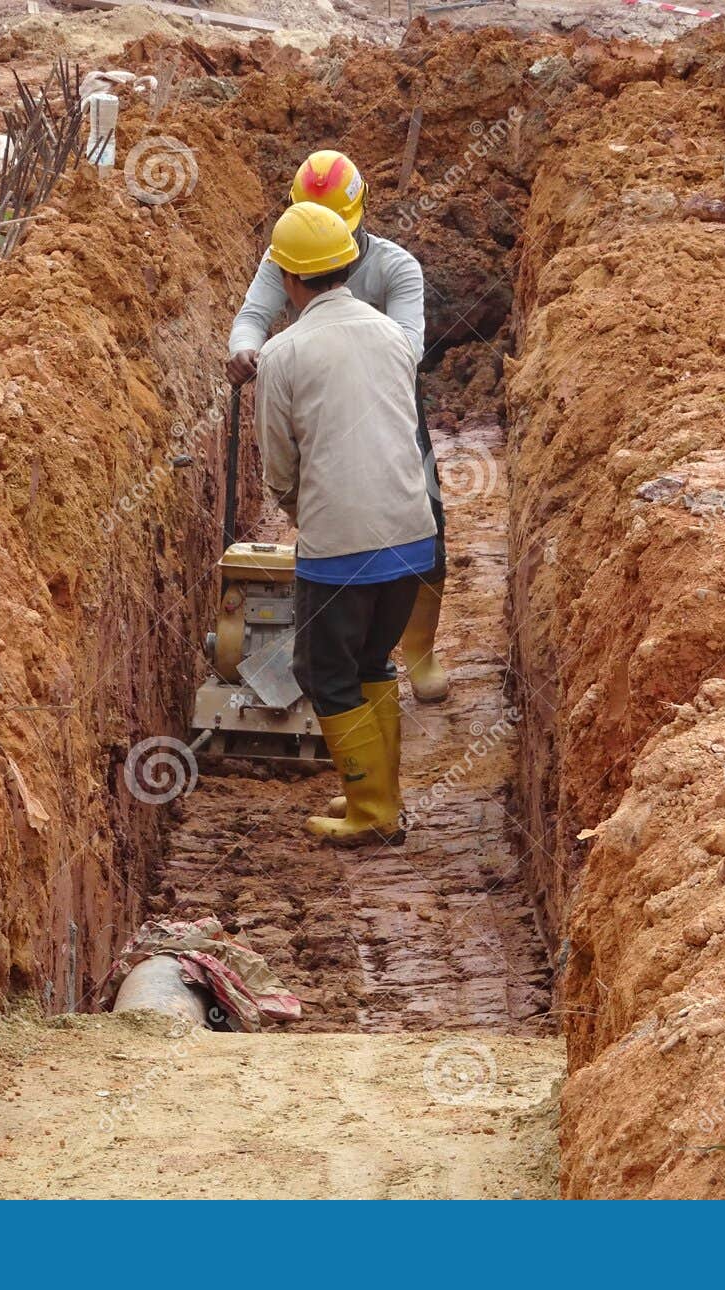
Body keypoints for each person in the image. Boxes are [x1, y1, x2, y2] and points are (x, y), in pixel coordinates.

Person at [228, 149, 451, 704]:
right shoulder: (290, 256)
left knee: (427, 521)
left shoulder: (397, 266)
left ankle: (419, 649)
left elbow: (409, 349)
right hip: (318, 398)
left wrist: (337, 339)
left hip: (389, 401)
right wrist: (246, 350)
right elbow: (253, 315)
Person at [255, 203, 438, 845]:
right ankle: (380, 794)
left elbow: (278, 462)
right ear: (351, 263)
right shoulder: (393, 335)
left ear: (288, 278)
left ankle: (371, 811)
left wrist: (305, 516)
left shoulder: (283, 353)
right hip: (414, 536)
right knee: (372, 662)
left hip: (342, 546)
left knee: (324, 672)